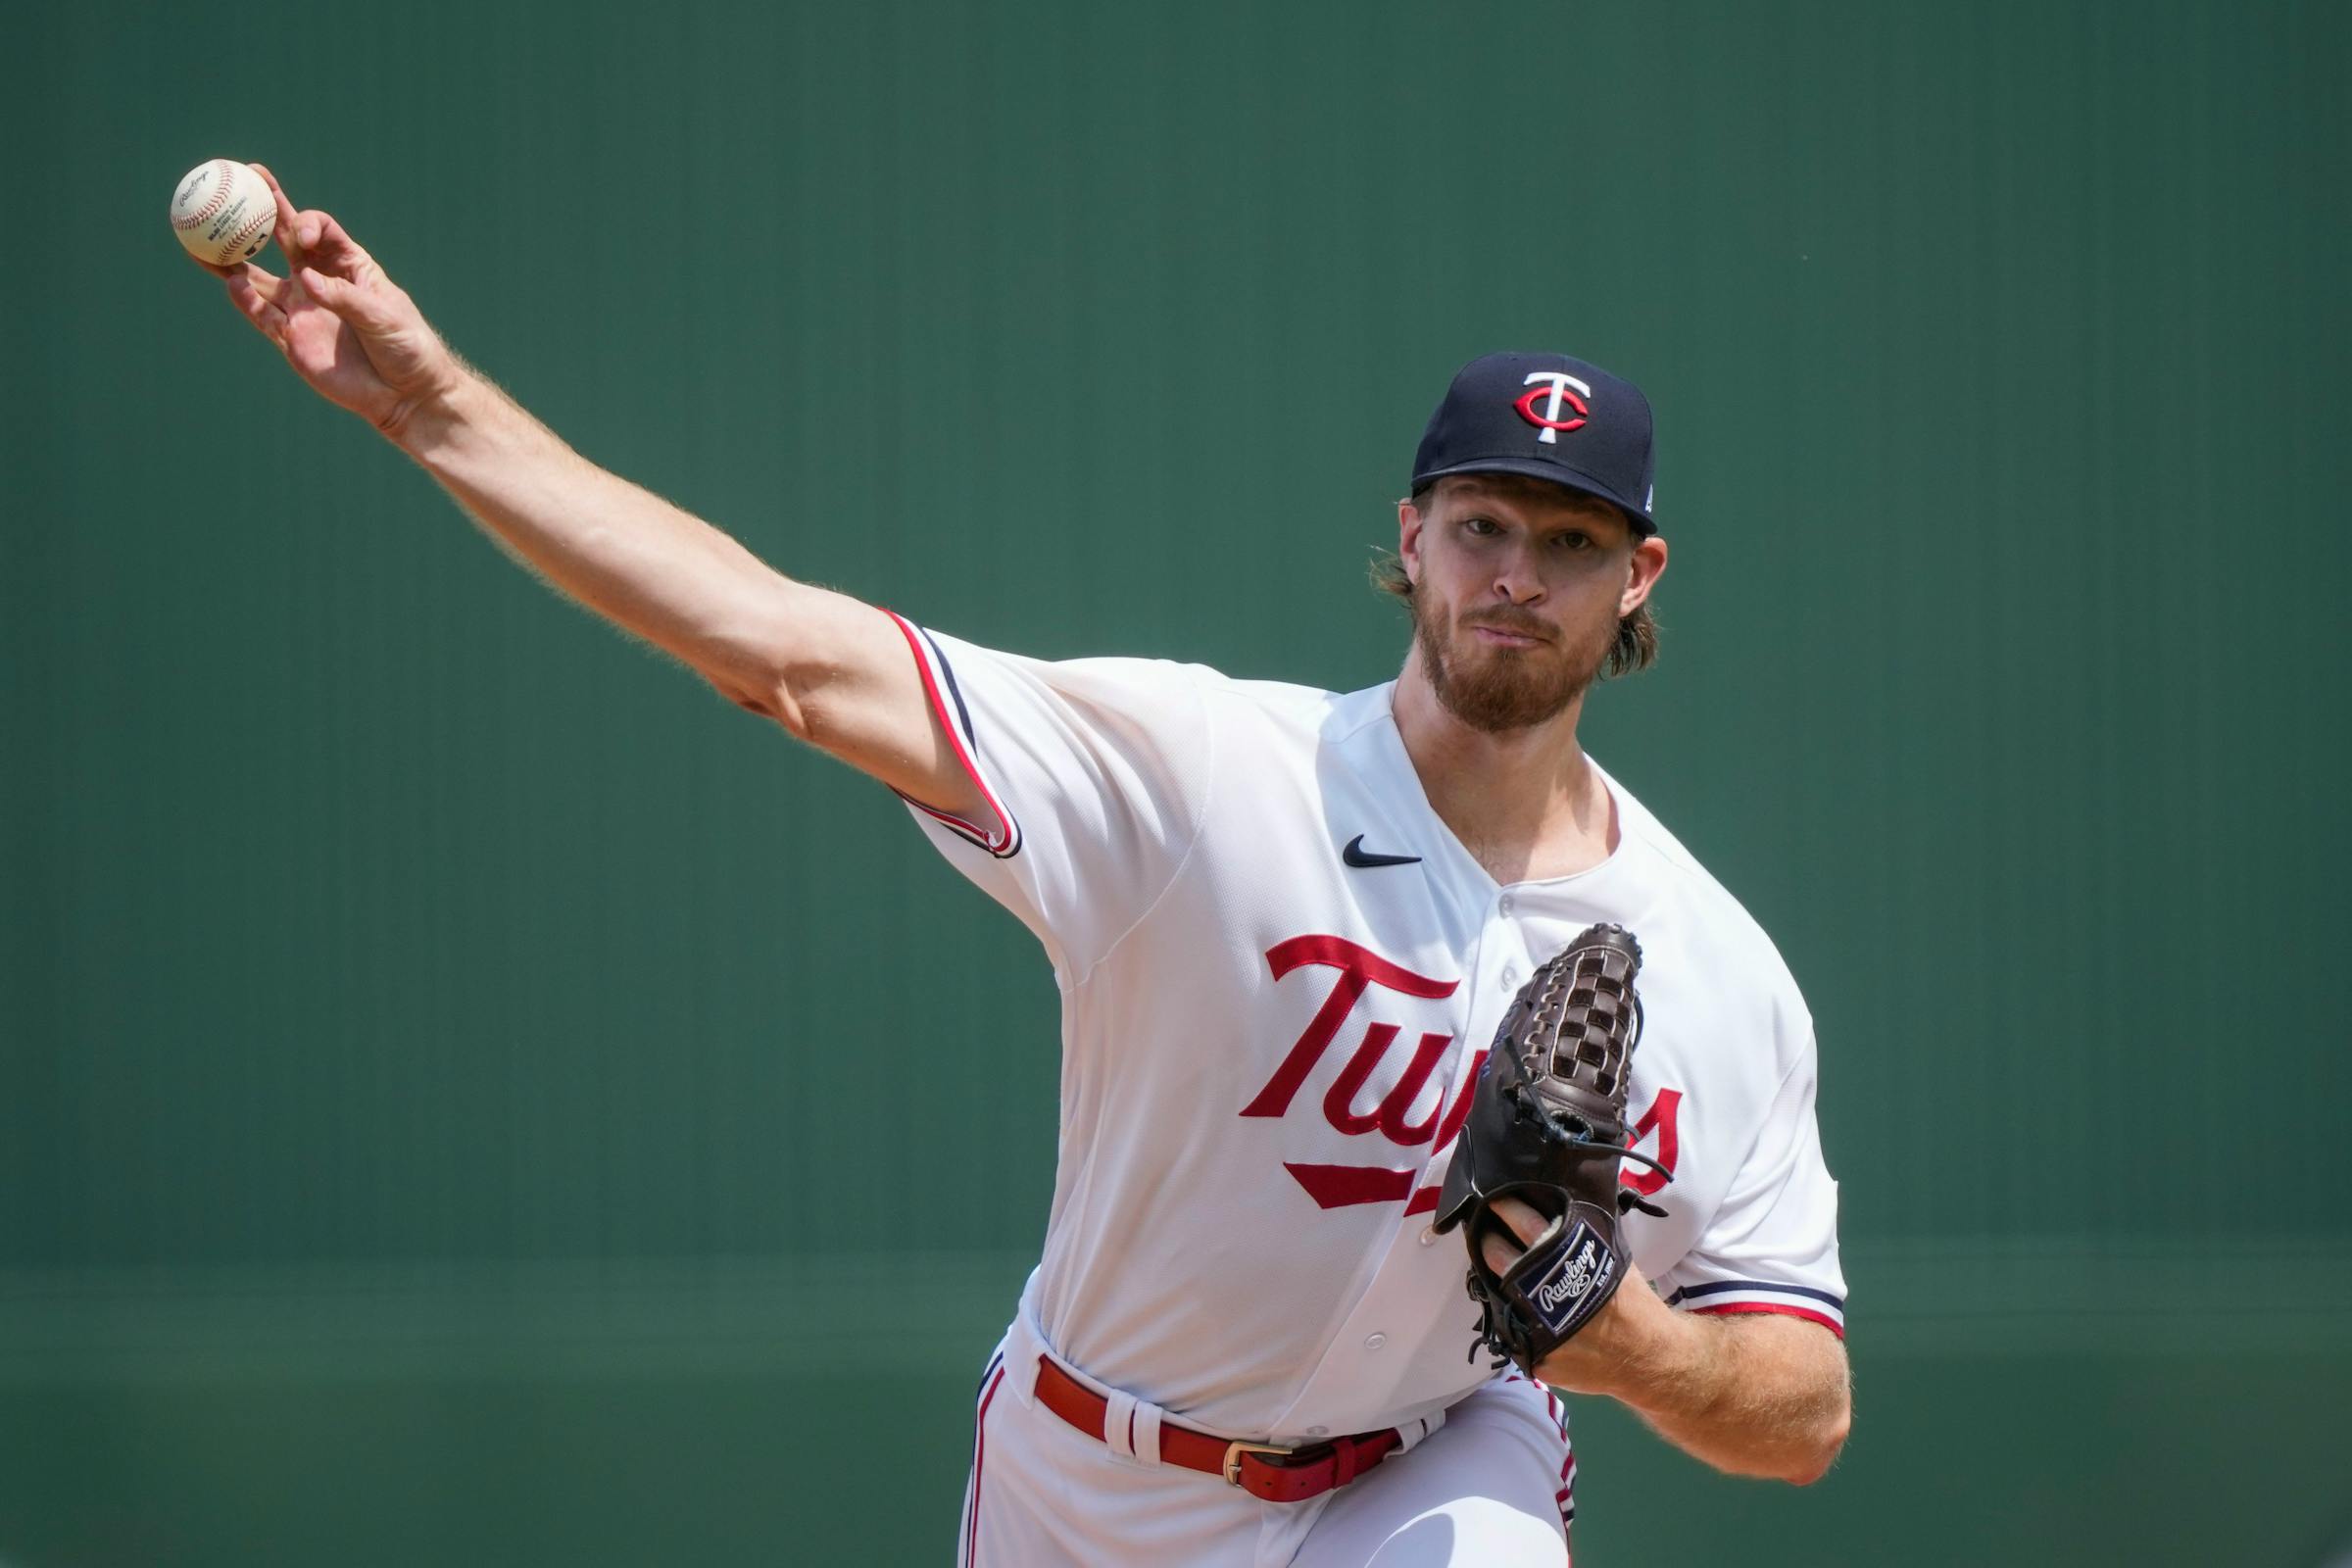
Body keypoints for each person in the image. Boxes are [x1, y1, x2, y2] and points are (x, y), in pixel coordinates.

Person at [196, 165, 1851, 1568]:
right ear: (1412, 535)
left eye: (1568, 544)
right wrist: (432, 407)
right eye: (1485, 522)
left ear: (1637, 579)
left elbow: (1804, 1413)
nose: (1518, 573)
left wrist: (1623, 1342)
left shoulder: (1716, 969)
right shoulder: (1203, 776)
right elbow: (783, 655)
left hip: (1431, 1466)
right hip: (1095, 1478)